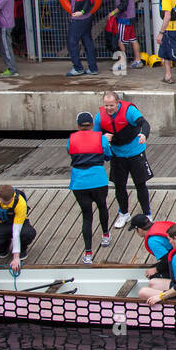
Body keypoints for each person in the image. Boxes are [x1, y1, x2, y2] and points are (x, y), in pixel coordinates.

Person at [95, 91, 153, 227]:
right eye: (106, 105)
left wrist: (144, 135)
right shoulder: (100, 116)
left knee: (140, 184)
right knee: (119, 186)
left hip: (135, 153)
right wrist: (103, 138)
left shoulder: (129, 111)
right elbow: (94, 136)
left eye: (111, 105)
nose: (109, 108)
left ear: (118, 103)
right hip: (117, 155)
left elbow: (145, 124)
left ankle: (147, 214)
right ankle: (124, 214)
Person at [69, 111, 112, 264]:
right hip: (98, 179)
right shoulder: (100, 138)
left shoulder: (71, 139)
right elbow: (107, 156)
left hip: (79, 182)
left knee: (87, 216)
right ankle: (106, 235)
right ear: (93, 125)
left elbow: (71, 153)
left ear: (78, 125)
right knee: (102, 206)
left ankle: (88, 253)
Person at [63, 0, 99, 77]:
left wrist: (81, 12)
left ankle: (78, 67)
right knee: (87, 41)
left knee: (72, 43)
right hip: (86, 19)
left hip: (79, 20)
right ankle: (93, 67)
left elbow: (87, 2)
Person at [106, 0, 143, 69]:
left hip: (124, 18)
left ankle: (122, 63)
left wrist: (113, 13)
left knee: (120, 41)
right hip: (130, 16)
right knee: (133, 39)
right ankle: (137, 60)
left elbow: (124, 4)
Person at [131, 214, 175, 278]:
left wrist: (156, 269)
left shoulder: (152, 241)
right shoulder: (159, 225)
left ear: (139, 229)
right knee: (152, 268)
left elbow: (168, 260)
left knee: (151, 275)